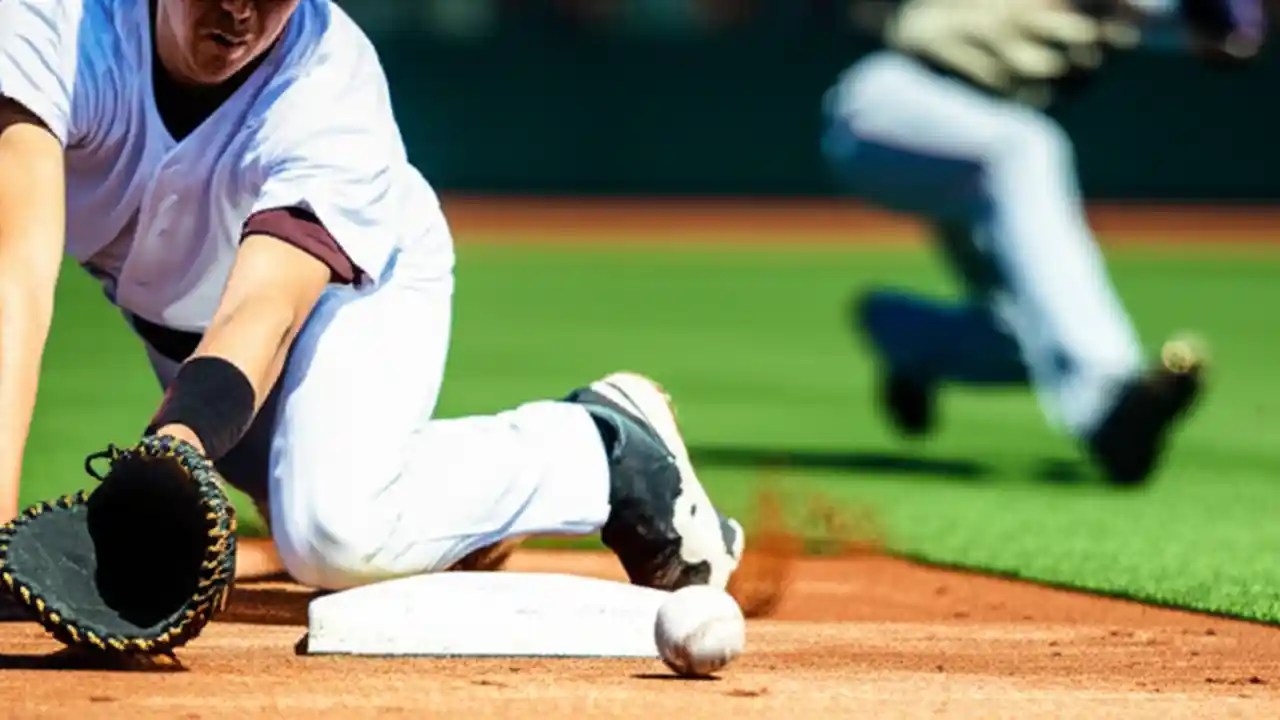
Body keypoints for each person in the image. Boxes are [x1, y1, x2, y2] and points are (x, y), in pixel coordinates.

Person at [0, 0, 743, 590]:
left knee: (331, 533)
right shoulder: (52, 23)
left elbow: (266, 311)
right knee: (334, 513)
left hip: (353, 291)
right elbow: (14, 275)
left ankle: (603, 448)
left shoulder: (329, 82)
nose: (240, 10)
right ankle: (465, 524)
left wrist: (177, 446)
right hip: (188, 331)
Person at [821, 0, 1265, 484]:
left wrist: (1225, 24)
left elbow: (1223, 36)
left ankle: (905, 335)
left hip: (971, 135)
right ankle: (1106, 400)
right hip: (896, 102)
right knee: (1028, 148)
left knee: (1025, 331)